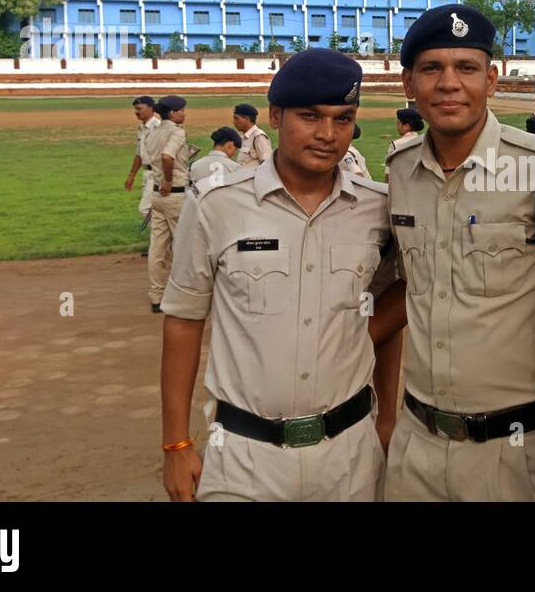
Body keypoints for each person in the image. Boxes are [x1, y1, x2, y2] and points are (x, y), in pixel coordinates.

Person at [159, 49, 405, 502]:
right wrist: (176, 444)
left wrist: (386, 418)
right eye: (309, 116)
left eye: (343, 118)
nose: (328, 134)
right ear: (275, 115)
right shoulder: (217, 203)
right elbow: (183, 318)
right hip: (243, 456)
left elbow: (386, 318)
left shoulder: (377, 208)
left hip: (349, 454)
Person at [383, 4, 535, 502]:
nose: (449, 83)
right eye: (432, 68)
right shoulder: (400, 169)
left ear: (492, 79)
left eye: (467, 68)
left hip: (513, 453)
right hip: (417, 445)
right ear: (409, 83)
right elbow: (409, 283)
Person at [144, 95, 193, 312]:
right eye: (182, 110)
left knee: (157, 246)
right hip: (174, 194)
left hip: (157, 195)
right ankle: (183, 293)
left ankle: (156, 296)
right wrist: (169, 180)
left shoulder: (153, 132)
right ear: (173, 113)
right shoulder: (176, 131)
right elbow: (167, 157)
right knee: (183, 244)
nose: (184, 113)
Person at [125, 95, 162, 223]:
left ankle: (165, 236)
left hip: (157, 173)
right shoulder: (142, 129)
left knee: (145, 209)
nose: (137, 112)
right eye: (135, 109)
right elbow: (139, 154)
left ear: (151, 109)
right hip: (146, 173)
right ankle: (165, 239)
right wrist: (131, 175)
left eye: (140, 108)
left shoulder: (158, 127)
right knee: (155, 209)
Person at [232, 103, 272, 167]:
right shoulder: (243, 137)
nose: (234, 122)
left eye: (236, 118)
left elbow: (267, 165)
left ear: (246, 119)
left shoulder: (259, 137)